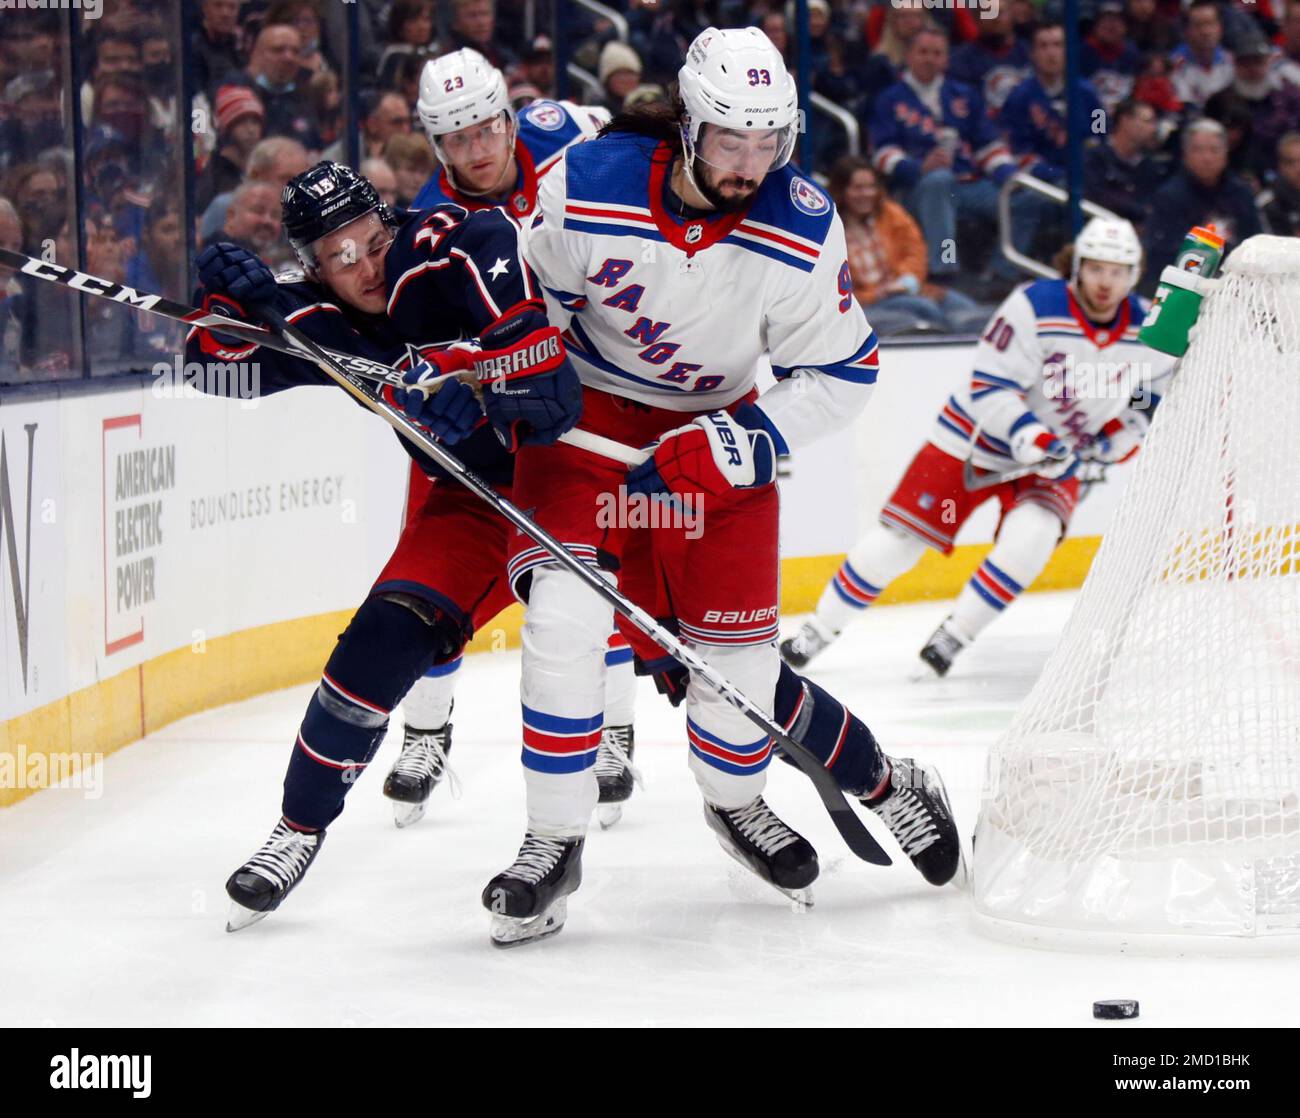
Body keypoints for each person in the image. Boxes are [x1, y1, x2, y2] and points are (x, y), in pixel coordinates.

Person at [490, 27, 961, 946]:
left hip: (714, 436)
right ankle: (552, 840)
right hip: (589, 428)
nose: (750, 166)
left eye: (767, 144)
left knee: (738, 677)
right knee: (565, 619)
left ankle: (736, 806)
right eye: (731, 141)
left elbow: (846, 371)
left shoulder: (802, 223)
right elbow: (517, 301)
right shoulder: (586, 183)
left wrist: (744, 438)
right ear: (690, 126)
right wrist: (515, 363)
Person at [186, 161, 583, 926]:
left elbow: (501, 266)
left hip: (580, 478)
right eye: (340, 257)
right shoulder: (310, 318)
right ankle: (296, 830)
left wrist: (480, 379)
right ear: (312, 266)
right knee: (378, 642)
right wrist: (223, 308)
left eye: (373, 243)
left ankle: (847, 780)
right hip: (476, 504)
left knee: (696, 647)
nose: (366, 267)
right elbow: (212, 376)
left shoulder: (437, 256)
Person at [781, 217, 1175, 678]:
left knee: (1033, 537)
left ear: (1133, 275)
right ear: (1077, 268)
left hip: (1054, 459)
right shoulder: (1034, 306)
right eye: (1096, 269)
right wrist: (1034, 437)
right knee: (899, 542)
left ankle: (954, 637)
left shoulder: (1147, 328)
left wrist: (1120, 433)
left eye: (1117, 271)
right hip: (971, 440)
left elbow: (1156, 386)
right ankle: (818, 630)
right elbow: (988, 386)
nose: (1105, 282)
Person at [409, 48, 638, 825]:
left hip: (584, 384)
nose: (478, 150)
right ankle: (425, 727)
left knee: (590, 558)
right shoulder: (424, 222)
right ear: (437, 148)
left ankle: (612, 729)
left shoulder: (570, 130)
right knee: (432, 565)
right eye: (457, 140)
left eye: (486, 129)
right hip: (484, 405)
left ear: (510, 116)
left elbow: (647, 156)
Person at [869, 27, 1019, 281]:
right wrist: (918, 167)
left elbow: (988, 144)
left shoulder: (963, 95)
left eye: (937, 53)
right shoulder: (889, 98)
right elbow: (881, 152)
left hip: (966, 184)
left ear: (946, 59)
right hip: (916, 188)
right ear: (909, 55)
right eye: (923, 52)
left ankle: (1000, 273)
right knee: (938, 181)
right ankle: (943, 270)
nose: (930, 59)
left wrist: (1010, 177)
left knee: (1020, 199)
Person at [830, 156, 986, 335]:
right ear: (841, 190)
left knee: (968, 311)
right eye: (858, 188)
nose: (867, 193)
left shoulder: (890, 213)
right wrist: (879, 293)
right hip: (870, 302)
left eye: (871, 187)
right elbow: (836, 290)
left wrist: (907, 281)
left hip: (906, 289)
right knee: (927, 311)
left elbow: (916, 251)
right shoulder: (830, 228)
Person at [1140, 118, 1261, 290]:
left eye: (1214, 150)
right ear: (1185, 153)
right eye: (1198, 150)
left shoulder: (1241, 192)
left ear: (1226, 152)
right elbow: (1161, 253)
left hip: (1236, 285)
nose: (1207, 157)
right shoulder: (1168, 196)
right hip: (1181, 286)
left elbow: (1255, 240)